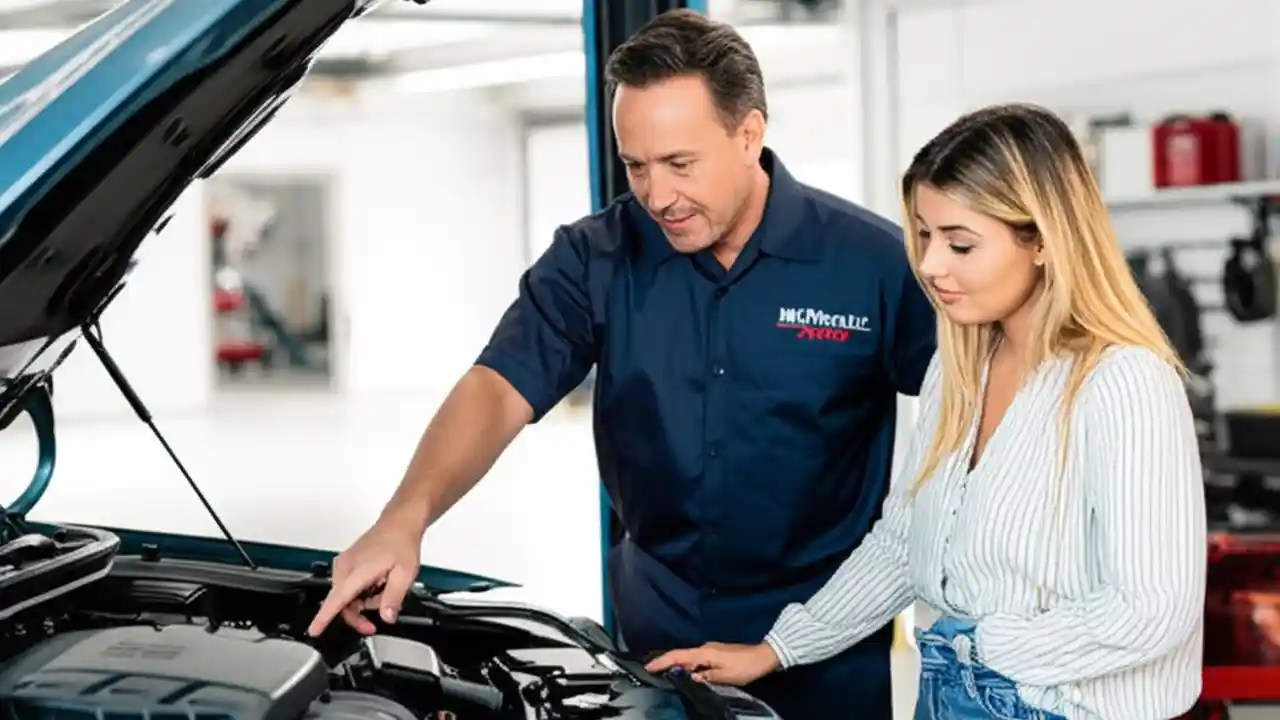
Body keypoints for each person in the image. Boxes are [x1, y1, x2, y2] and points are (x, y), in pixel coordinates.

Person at [304, 8, 936, 719]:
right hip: (657, 648)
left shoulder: (873, 265)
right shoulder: (595, 257)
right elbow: (498, 385)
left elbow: (976, 415)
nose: (657, 195)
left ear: (750, 134)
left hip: (826, 656)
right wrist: (405, 517)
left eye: (679, 164)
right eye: (636, 165)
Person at [645, 103, 1208, 720]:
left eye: (960, 243)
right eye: (923, 235)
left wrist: (981, 646)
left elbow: (1155, 609)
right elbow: (902, 546)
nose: (932, 265)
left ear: (1043, 242)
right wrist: (775, 650)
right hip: (947, 697)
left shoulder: (1123, 382)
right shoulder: (959, 369)